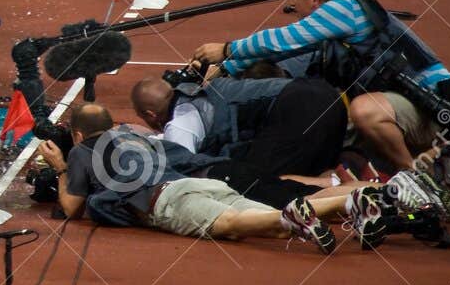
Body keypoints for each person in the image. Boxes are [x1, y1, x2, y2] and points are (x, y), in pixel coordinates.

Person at [192, 0, 450, 174]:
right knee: (338, 131)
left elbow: (283, 39)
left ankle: (415, 177)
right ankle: (440, 162)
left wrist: (228, 49)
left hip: (435, 108)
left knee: (363, 112)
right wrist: (226, 68)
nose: (290, 4)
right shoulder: (335, 26)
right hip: (419, 107)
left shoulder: (343, 9)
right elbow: (287, 51)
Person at [37, 104, 373, 251]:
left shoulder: (82, 152)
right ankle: (351, 201)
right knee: (260, 220)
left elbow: (71, 209)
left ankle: (293, 217)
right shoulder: (136, 139)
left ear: (78, 135)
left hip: (168, 199)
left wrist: (61, 168)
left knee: (229, 226)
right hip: (200, 184)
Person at [130, 73, 347, 208]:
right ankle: (346, 183)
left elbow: (184, 166)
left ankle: (334, 188)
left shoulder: (180, 125)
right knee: (313, 167)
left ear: (150, 115)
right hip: (327, 97)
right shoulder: (192, 95)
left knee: (263, 184)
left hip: (299, 109)